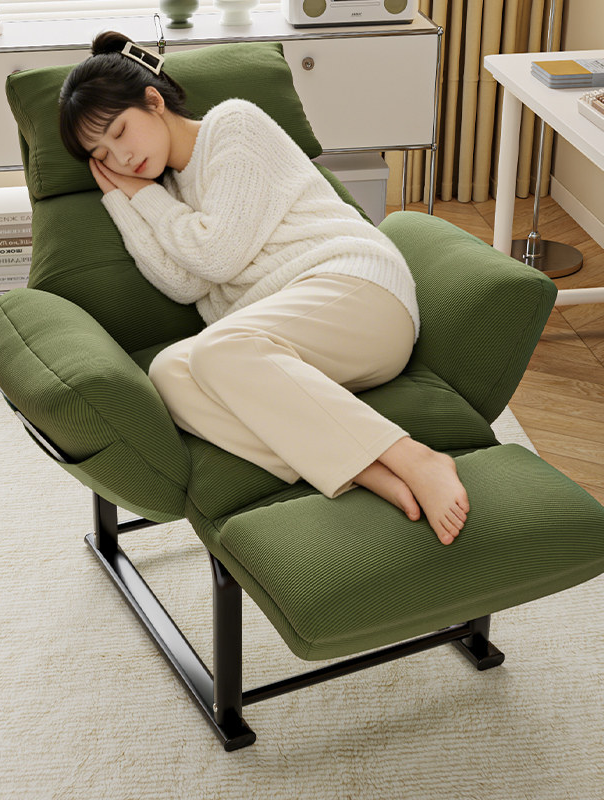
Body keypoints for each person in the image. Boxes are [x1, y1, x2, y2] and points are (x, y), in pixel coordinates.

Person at [59, 31, 469, 545]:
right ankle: (365, 467)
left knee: (216, 350)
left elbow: (215, 256)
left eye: (120, 132)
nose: (120, 158)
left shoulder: (234, 126)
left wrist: (145, 197)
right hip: (290, 347)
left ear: (153, 101)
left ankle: (413, 456)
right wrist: (127, 199)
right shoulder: (169, 190)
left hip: (359, 293)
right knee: (169, 373)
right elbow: (184, 283)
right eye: (101, 155)